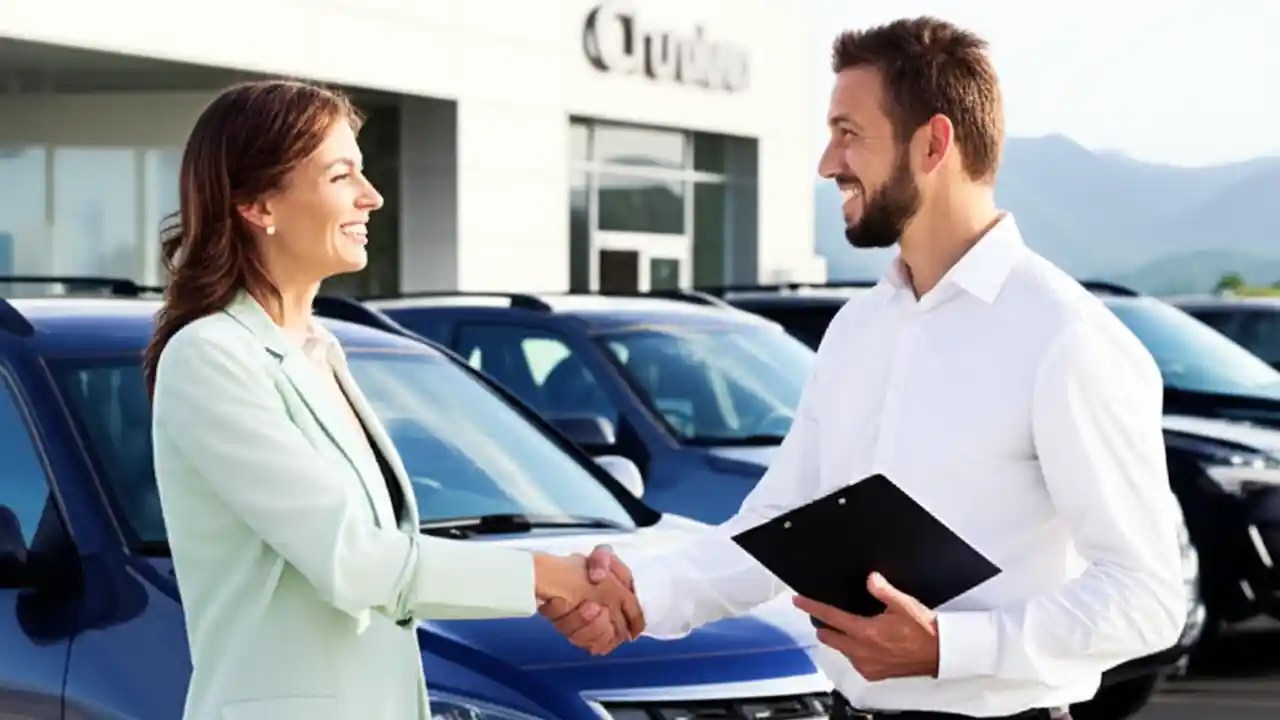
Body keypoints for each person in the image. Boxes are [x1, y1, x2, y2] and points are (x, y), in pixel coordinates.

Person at [541, 16, 1187, 720]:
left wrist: (949, 646)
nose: (827, 162)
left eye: (848, 133)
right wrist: (640, 592)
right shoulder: (858, 329)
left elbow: (1147, 596)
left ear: (933, 142)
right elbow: (781, 525)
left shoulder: (1066, 337)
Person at [144, 79, 640, 720]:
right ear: (259, 204)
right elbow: (350, 560)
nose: (371, 196)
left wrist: (553, 578)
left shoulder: (320, 351)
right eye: (340, 174)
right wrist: (548, 576)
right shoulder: (211, 356)